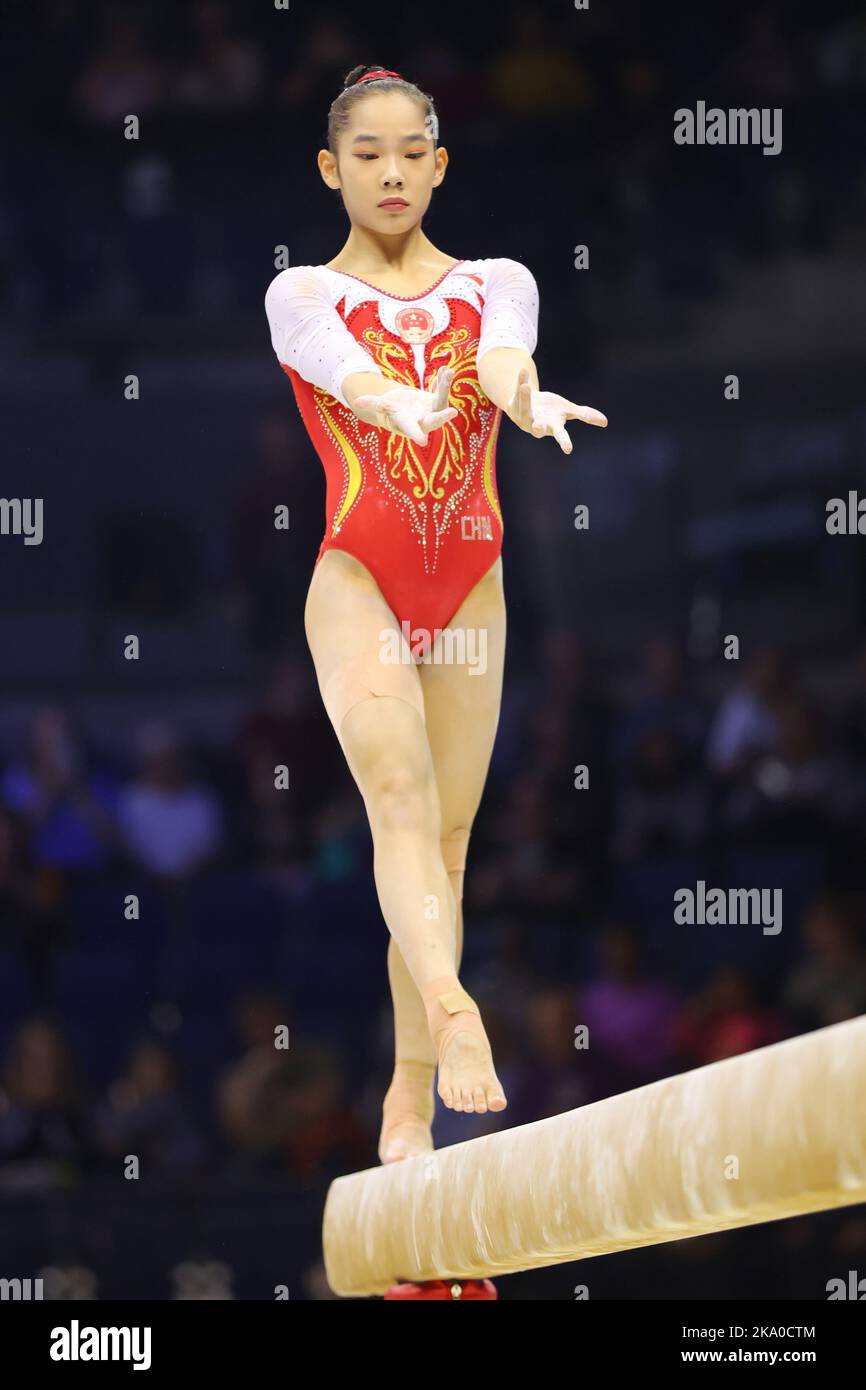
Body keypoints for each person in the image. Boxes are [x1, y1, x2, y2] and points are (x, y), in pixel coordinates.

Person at [264, 65, 607, 1162]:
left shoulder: (497, 279)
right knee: (399, 797)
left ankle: (405, 1097)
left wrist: (523, 393)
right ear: (331, 169)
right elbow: (337, 368)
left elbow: (503, 357)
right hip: (357, 575)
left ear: (441, 161)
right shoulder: (301, 293)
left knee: (449, 846)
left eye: (413, 149)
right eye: (366, 153)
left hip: (470, 581)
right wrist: (387, 396)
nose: (392, 170)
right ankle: (455, 1008)